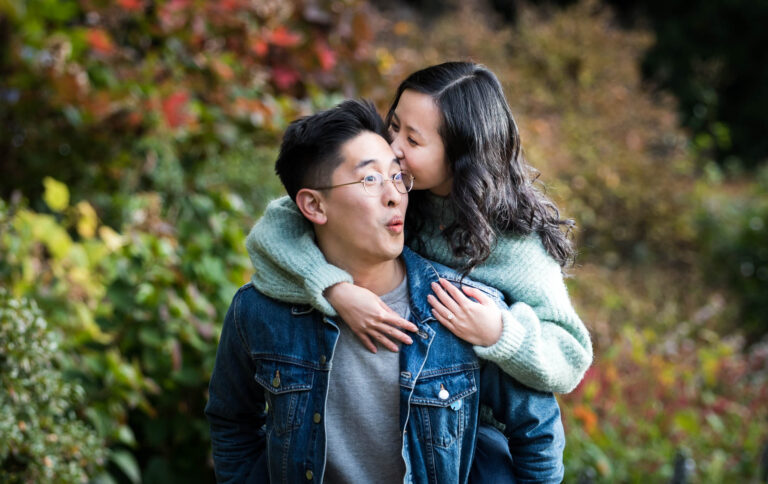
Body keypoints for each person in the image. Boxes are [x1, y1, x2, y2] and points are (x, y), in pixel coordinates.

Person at [205, 99, 565, 483]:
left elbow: (538, 432)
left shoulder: (465, 309)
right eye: (370, 179)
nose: (394, 195)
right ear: (313, 205)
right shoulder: (259, 312)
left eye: (397, 176)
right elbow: (232, 422)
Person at [246, 61, 592, 394]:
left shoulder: (515, 243)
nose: (392, 148)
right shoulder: (395, 195)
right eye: (394, 126)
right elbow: (276, 228)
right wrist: (335, 290)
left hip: (469, 424)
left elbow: (570, 355)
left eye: (412, 140)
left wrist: (499, 332)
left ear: (460, 156)